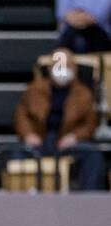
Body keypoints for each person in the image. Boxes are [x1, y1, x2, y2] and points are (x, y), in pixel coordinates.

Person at [13, 49, 105, 190]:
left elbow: (90, 123)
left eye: (67, 66)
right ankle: (19, 199)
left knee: (93, 155)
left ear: (74, 69)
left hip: (67, 142)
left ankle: (89, 198)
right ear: (50, 68)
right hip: (40, 140)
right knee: (16, 154)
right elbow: (21, 115)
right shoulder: (34, 89)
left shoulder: (84, 94)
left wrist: (75, 137)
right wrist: (28, 135)